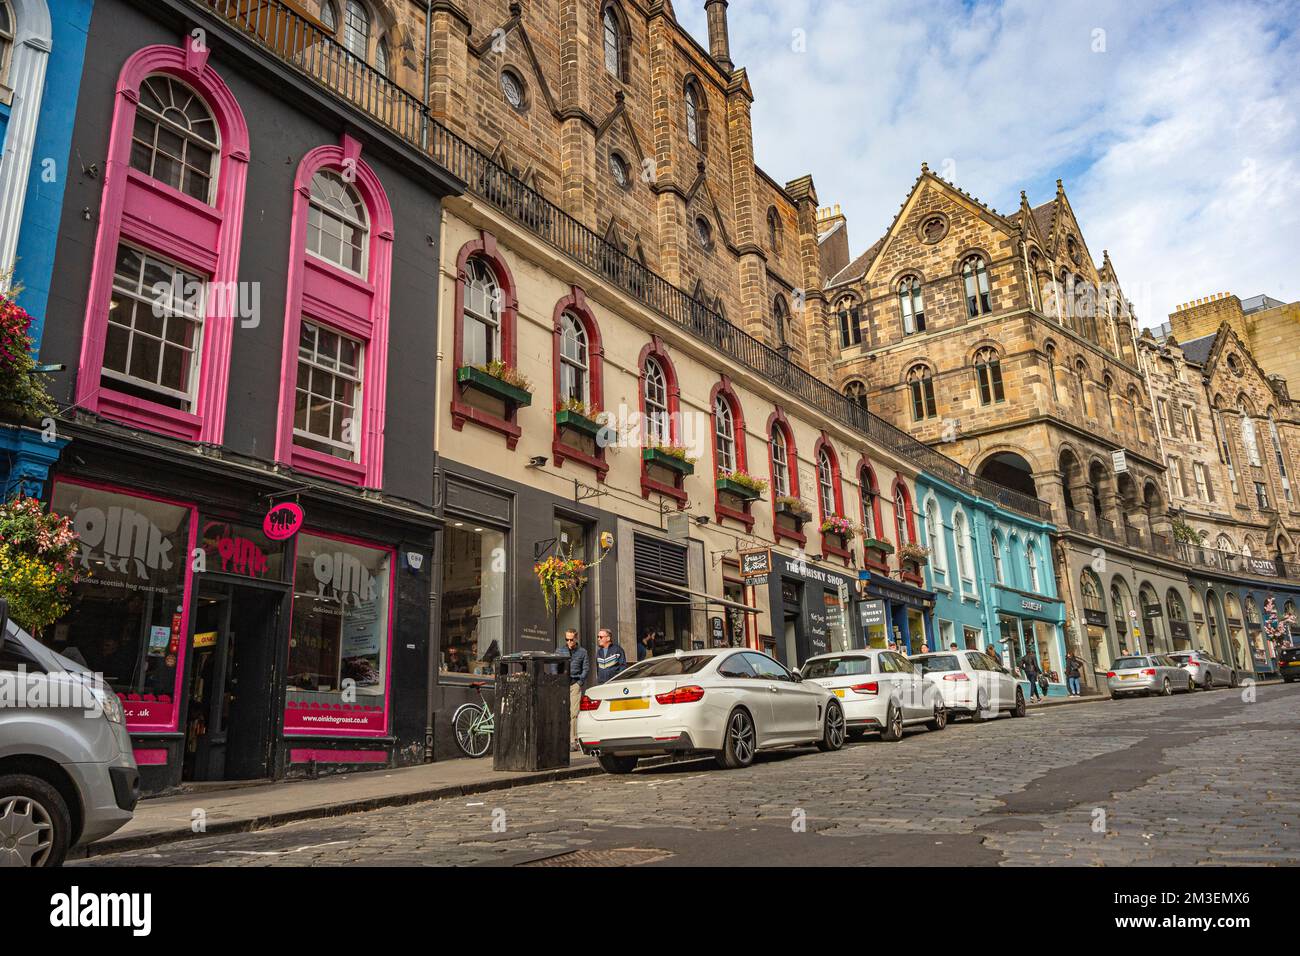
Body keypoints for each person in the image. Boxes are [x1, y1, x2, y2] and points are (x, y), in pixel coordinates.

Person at [559, 630, 589, 750]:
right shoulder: (560, 650)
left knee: (574, 713)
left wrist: (580, 682)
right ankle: (562, 740)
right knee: (562, 712)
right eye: (567, 639)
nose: (569, 642)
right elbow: (554, 666)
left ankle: (573, 740)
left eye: (571, 639)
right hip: (562, 685)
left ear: (576, 638)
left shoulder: (583, 652)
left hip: (574, 684)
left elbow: (586, 669)